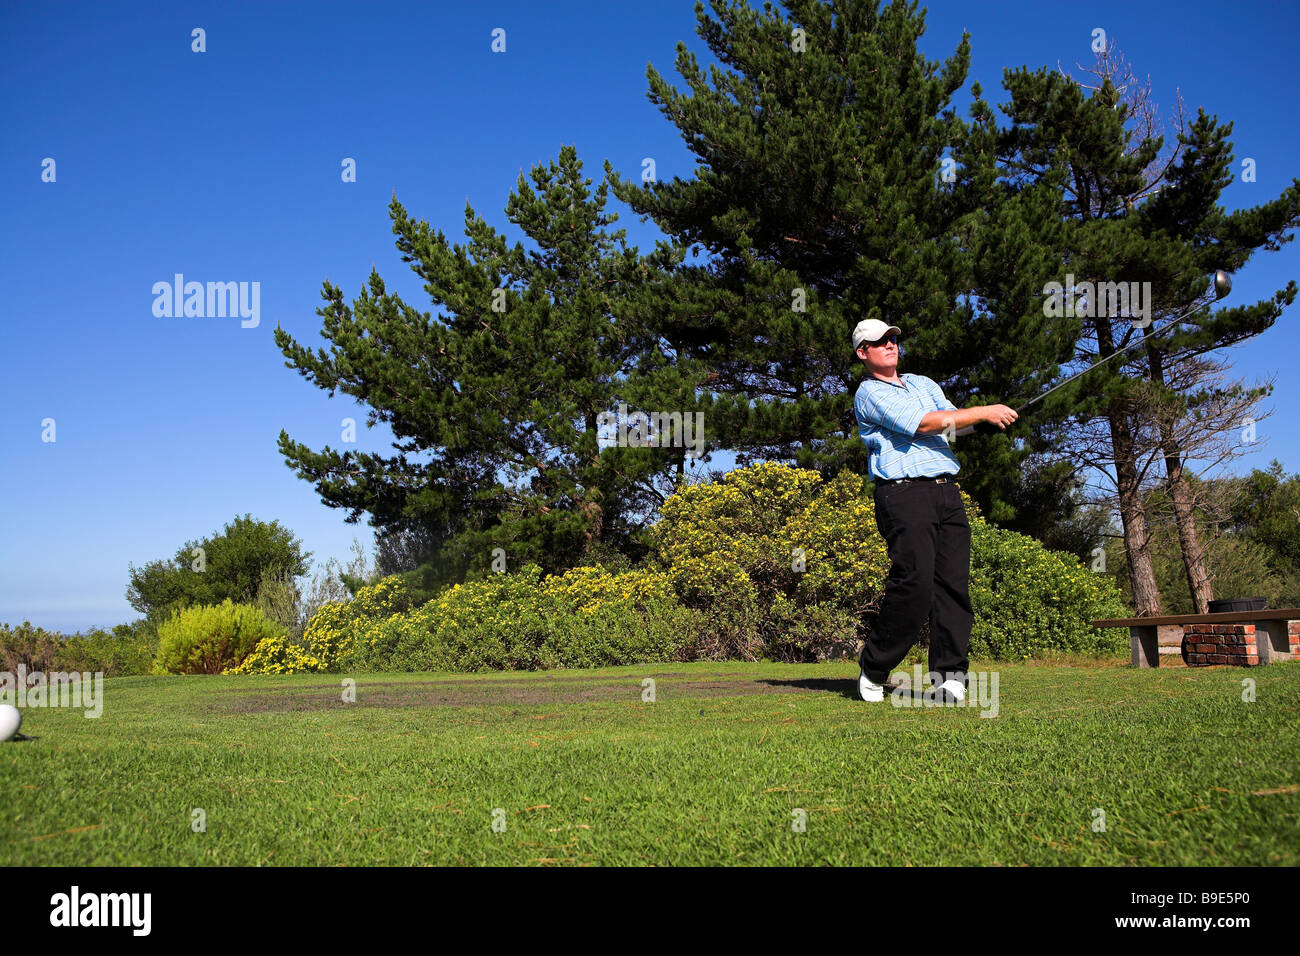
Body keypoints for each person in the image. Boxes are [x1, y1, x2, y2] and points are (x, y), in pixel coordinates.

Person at [850, 318, 1017, 703]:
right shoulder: (869, 393)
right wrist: (983, 410)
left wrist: (987, 424)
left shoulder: (924, 384)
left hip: (946, 492)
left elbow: (952, 426)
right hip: (903, 496)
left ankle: (950, 676)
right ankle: (875, 667)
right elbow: (926, 424)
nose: (891, 345)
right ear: (863, 352)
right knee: (915, 584)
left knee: (953, 585)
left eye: (893, 338)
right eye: (880, 341)